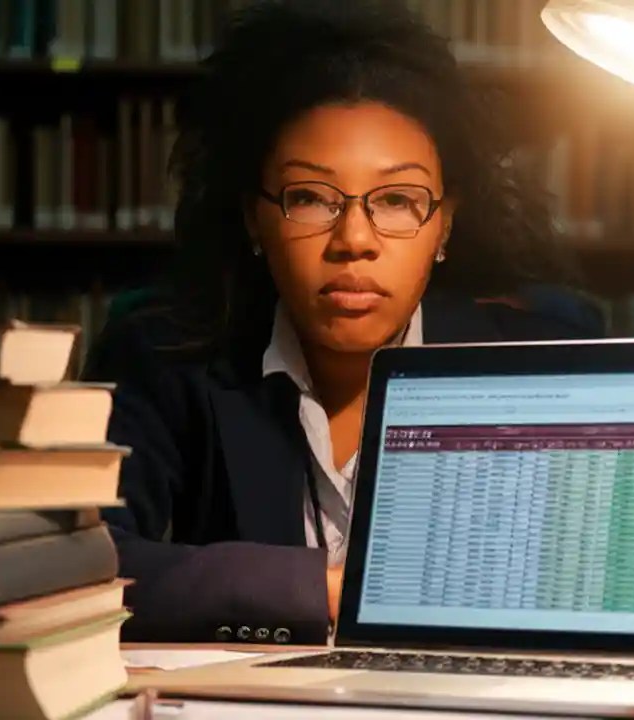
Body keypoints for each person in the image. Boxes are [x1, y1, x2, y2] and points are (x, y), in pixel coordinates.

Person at [88, 0, 602, 644]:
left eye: (397, 200)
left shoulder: (535, 361)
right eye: (309, 197)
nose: (354, 240)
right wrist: (331, 591)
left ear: (444, 224)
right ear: (253, 218)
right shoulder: (166, 355)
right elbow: (78, 563)